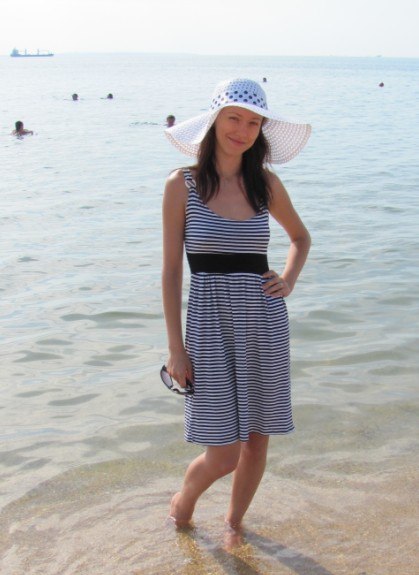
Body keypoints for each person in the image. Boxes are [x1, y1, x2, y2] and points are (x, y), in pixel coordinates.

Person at [162, 78, 311, 537]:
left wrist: (287, 280)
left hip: (263, 323)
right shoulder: (182, 184)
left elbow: (300, 238)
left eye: (253, 123)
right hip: (208, 327)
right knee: (223, 452)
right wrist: (176, 349)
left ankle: (234, 528)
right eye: (234, 118)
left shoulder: (265, 184)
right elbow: (171, 272)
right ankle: (183, 504)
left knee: (258, 440)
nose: (242, 130)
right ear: (214, 121)